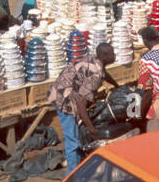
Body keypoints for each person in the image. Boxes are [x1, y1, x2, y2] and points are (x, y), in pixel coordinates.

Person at [46, 41, 115, 172]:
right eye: (112, 54)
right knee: (73, 141)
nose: (115, 56)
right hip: (64, 99)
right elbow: (81, 103)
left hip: (61, 90)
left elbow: (105, 74)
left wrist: (116, 86)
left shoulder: (95, 60)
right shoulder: (96, 75)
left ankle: (77, 166)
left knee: (75, 135)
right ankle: (72, 176)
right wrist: (91, 129)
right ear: (105, 57)